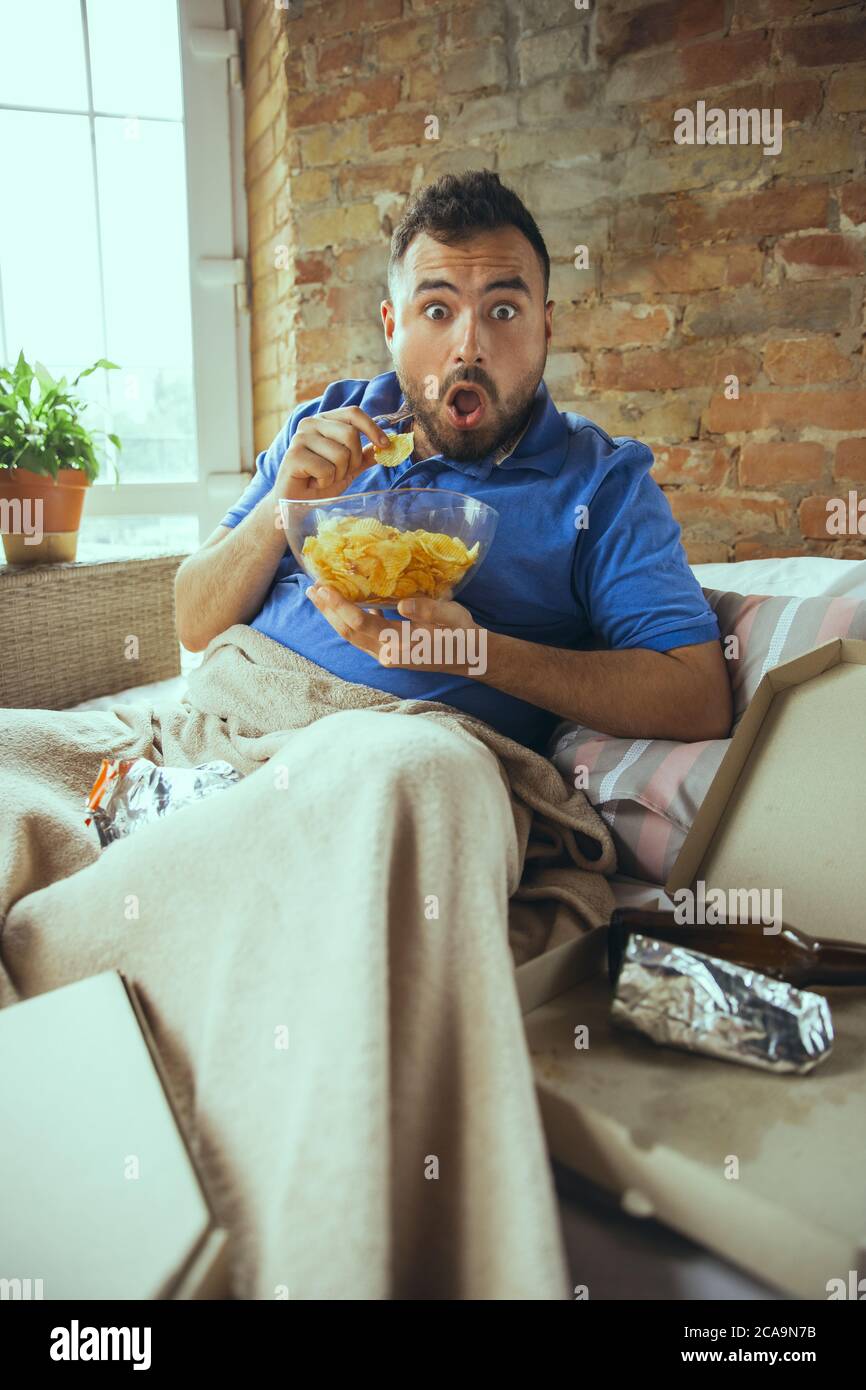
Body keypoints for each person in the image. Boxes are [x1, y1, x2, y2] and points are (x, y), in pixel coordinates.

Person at [0, 170, 732, 1301]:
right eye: (435, 307)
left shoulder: (601, 483)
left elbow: (693, 694)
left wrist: (474, 653)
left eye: (502, 305)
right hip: (203, 722)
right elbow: (193, 616)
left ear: (545, 323)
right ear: (393, 324)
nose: (467, 341)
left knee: (418, 772)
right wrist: (277, 511)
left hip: (389, 741)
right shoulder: (332, 424)